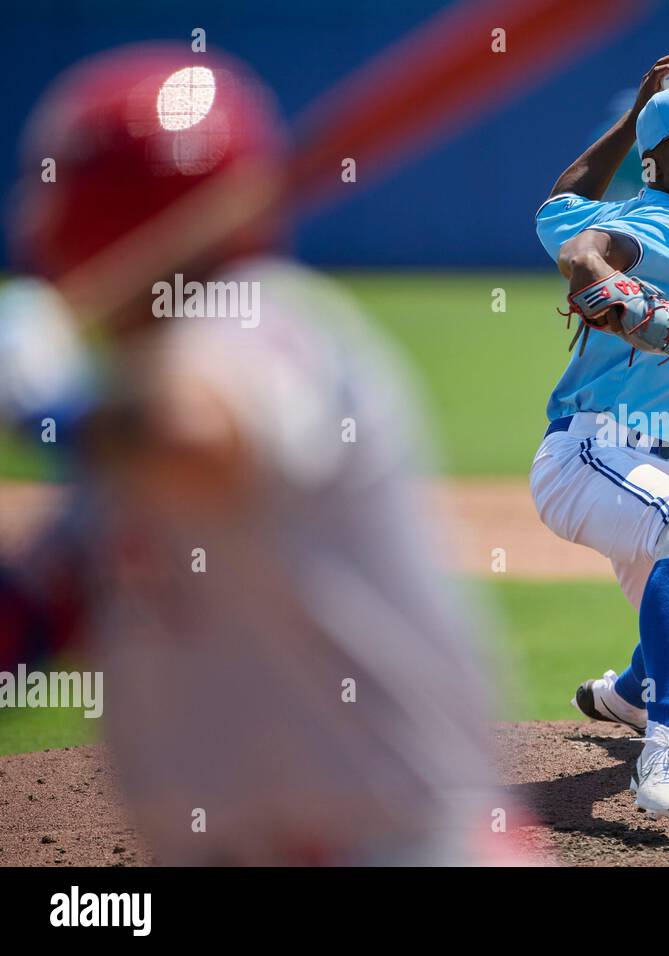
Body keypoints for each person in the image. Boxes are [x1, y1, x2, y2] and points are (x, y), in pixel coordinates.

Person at [0, 43, 514, 865]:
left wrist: (45, 401)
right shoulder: (119, 455)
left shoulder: (265, 323)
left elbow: (197, 436)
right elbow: (26, 619)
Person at [530, 55, 669, 820]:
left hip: (650, 471)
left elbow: (560, 208)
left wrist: (638, 114)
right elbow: (585, 252)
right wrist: (595, 277)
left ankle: (626, 696)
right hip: (590, 456)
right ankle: (665, 744)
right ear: (657, 167)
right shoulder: (657, 223)